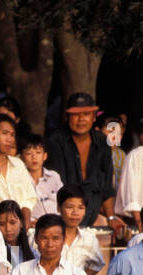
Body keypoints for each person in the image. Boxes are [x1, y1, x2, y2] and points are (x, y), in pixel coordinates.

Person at [44, 92, 121, 231]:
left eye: (86, 114)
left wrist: (111, 217)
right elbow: (53, 188)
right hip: (63, 221)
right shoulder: (55, 141)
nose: (81, 119)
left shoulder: (102, 142)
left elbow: (107, 187)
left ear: (93, 117)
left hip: (92, 219)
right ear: (67, 117)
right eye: (75, 115)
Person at [20, 133, 63, 220]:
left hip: (56, 223)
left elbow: (64, 201)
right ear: (22, 157)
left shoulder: (54, 177)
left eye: (38, 152)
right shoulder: (20, 179)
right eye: (29, 153)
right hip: (32, 226)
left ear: (45, 156)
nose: (34, 157)